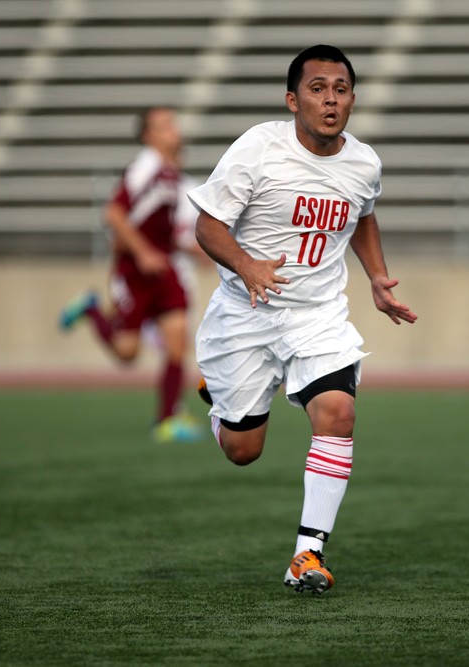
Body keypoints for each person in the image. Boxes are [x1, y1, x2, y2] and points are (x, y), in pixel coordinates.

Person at [187, 44, 417, 593]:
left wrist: (377, 279)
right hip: (246, 313)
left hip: (317, 316)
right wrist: (246, 266)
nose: (329, 99)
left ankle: (306, 555)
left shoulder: (364, 161)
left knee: (338, 412)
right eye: (317, 89)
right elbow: (208, 226)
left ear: (353, 99)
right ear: (293, 100)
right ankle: (219, 402)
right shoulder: (256, 149)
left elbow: (363, 213)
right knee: (243, 452)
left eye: (340, 89)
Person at [60, 106, 205, 444]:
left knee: (177, 341)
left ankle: (167, 419)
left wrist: (196, 252)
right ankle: (91, 308)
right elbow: (114, 213)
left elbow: (161, 230)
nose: (174, 129)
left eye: (173, 122)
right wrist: (140, 252)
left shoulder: (171, 173)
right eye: (165, 125)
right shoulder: (145, 166)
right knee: (127, 353)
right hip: (135, 272)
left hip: (163, 269)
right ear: (148, 136)